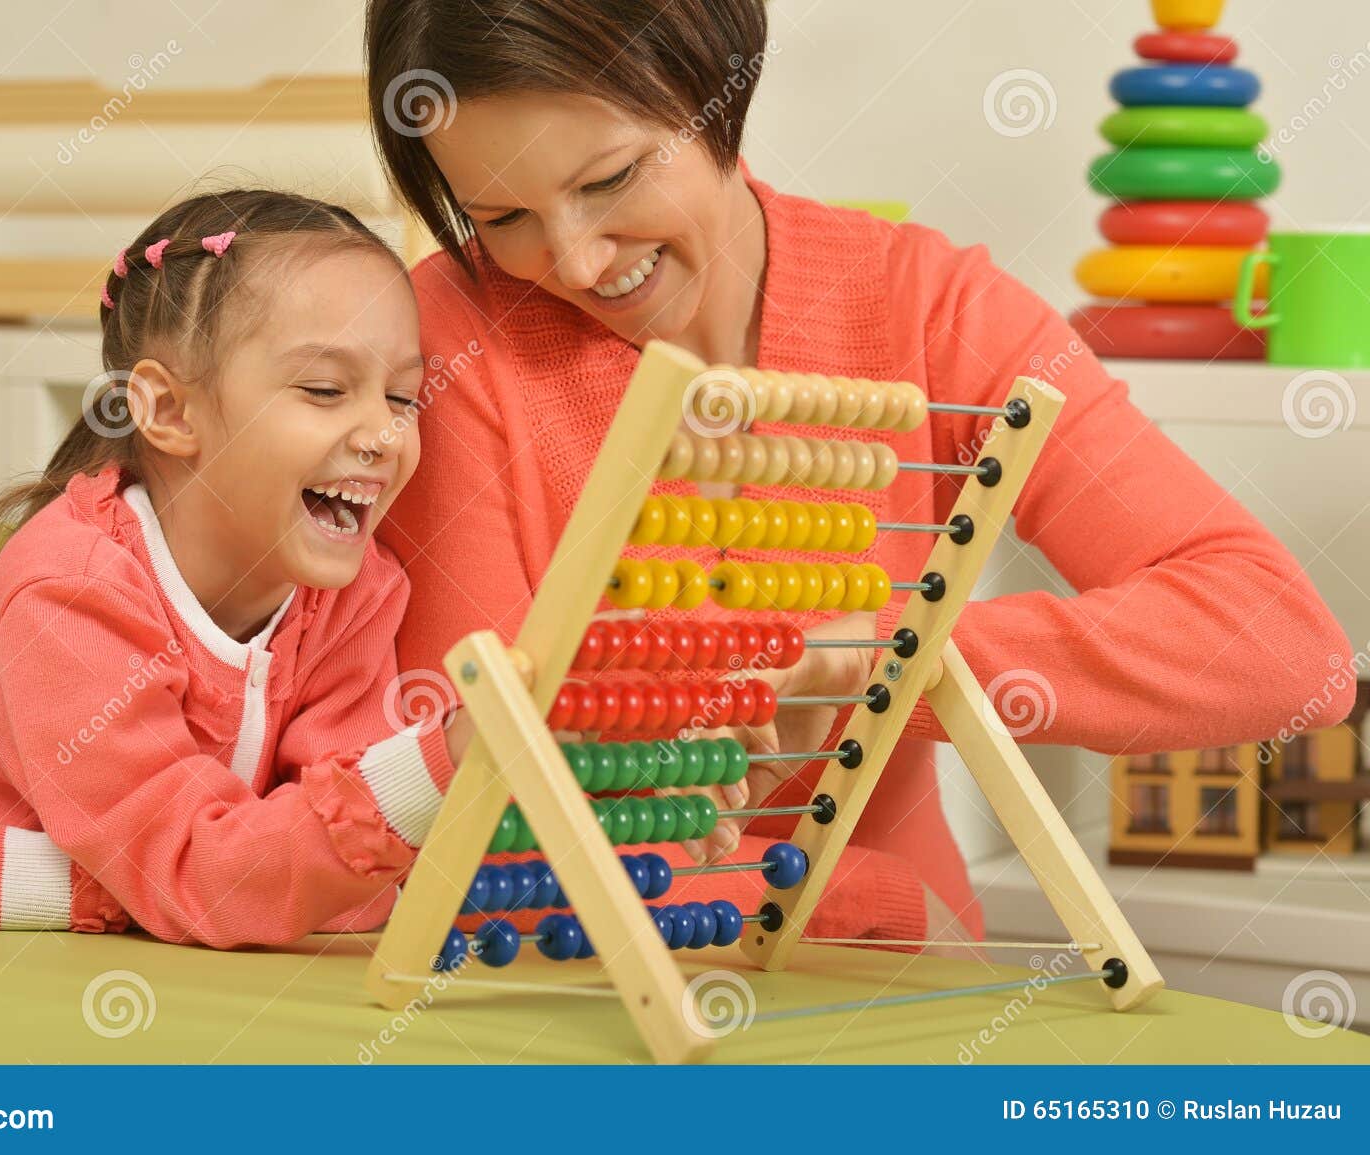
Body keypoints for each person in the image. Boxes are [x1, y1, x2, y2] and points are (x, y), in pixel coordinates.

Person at [364, 0, 1352, 943]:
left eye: (611, 179)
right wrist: (868, 900)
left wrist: (875, 657)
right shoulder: (441, 345)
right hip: (599, 994)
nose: (574, 261)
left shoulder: (925, 304)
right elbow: (485, 820)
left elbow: (1282, 647)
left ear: (710, 83)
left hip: (894, 1008)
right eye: (503, 219)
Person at [0, 190, 467, 949]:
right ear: (169, 412)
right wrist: (432, 772)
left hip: (153, 977)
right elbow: (262, 878)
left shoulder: (356, 597)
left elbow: (345, 893)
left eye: (403, 395)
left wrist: (54, 885)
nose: (384, 432)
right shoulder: (69, 599)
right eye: (325, 389)